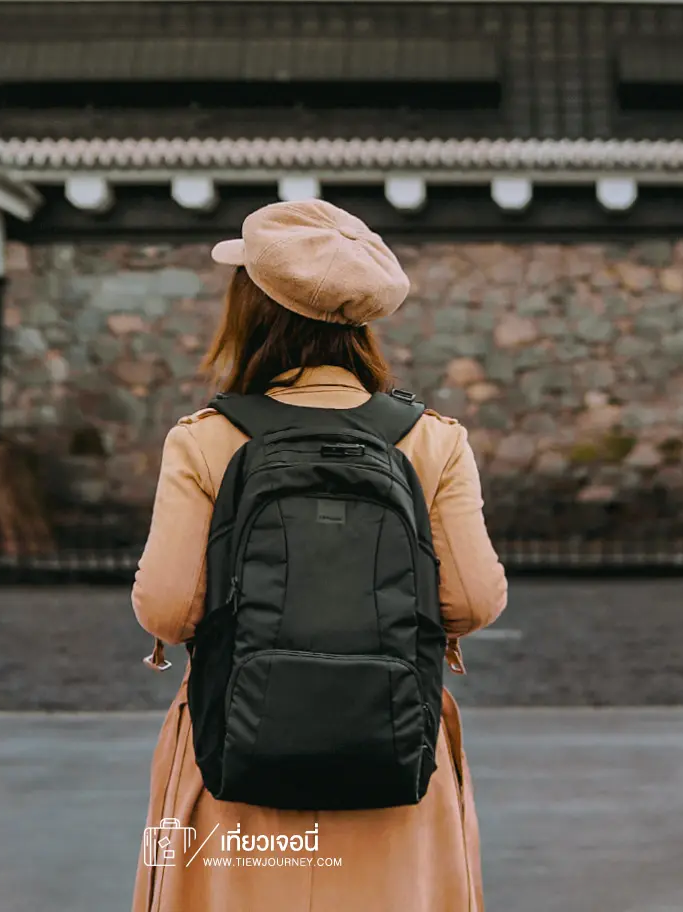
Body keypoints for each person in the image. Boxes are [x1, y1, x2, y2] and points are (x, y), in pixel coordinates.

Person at [131, 199, 507, 910]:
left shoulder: (206, 438)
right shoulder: (430, 439)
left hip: (232, 753)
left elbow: (167, 609)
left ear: (252, 308)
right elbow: (473, 602)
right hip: (391, 750)